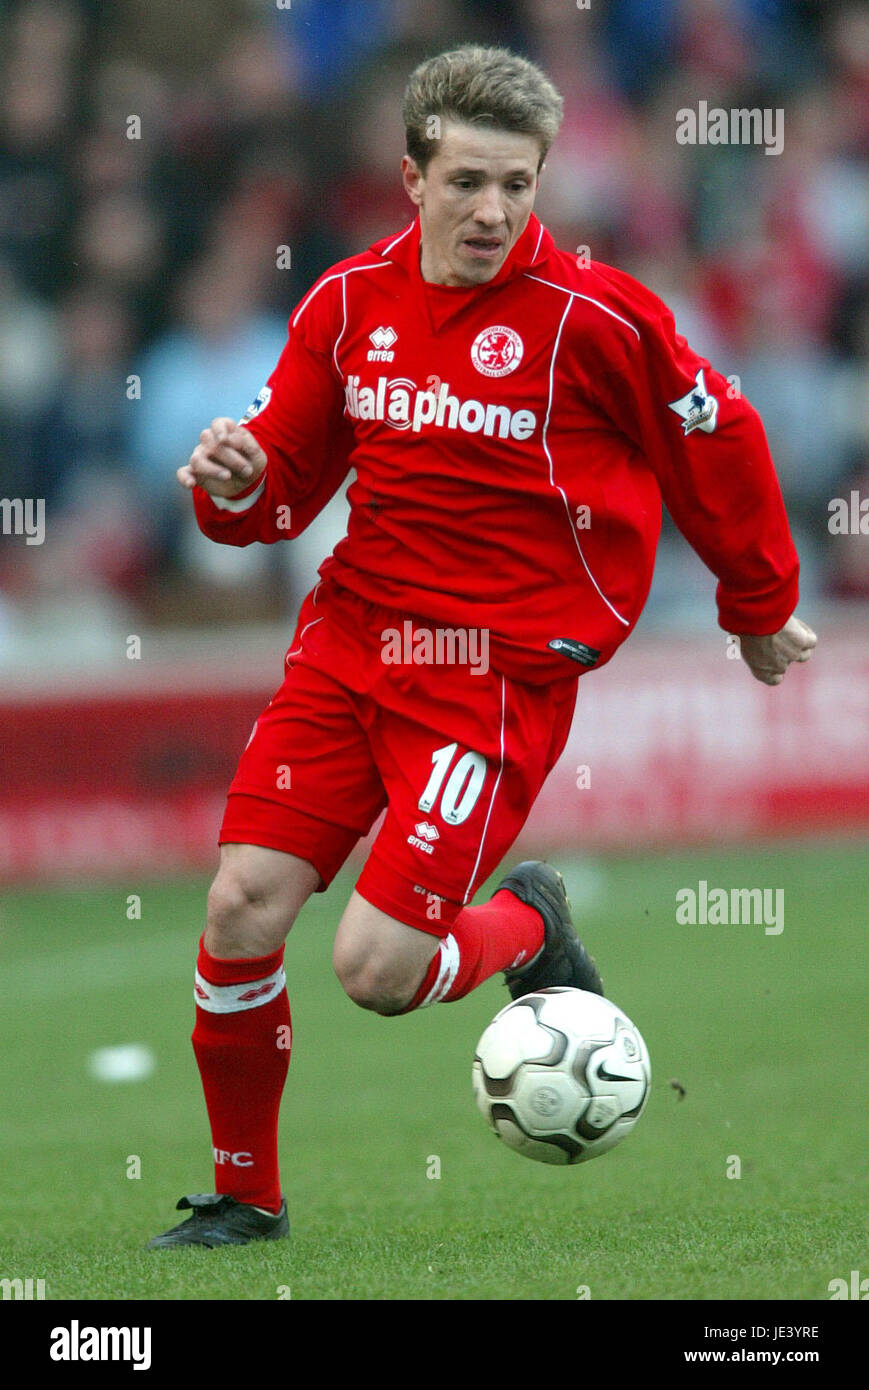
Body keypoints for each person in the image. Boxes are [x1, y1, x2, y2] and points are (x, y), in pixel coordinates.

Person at [147, 45, 817, 1249]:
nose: (493, 210)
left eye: (517, 182)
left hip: (484, 681)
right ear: (411, 178)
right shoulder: (347, 303)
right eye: (466, 182)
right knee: (241, 903)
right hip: (347, 645)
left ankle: (530, 922)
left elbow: (717, 434)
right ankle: (244, 1198)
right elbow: (277, 492)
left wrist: (756, 604)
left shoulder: (596, 317)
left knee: (375, 970)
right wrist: (234, 486)